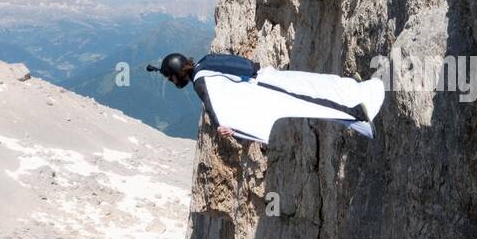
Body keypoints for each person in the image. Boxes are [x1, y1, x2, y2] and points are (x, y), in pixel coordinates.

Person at [150, 53, 385, 145]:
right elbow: (242, 64)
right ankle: (353, 88)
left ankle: (359, 113)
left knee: (308, 102)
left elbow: (212, 105)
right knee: (312, 85)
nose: (173, 83)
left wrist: (220, 125)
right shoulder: (206, 61)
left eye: (171, 78)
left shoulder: (201, 81)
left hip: (265, 88)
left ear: (178, 72)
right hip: (265, 75)